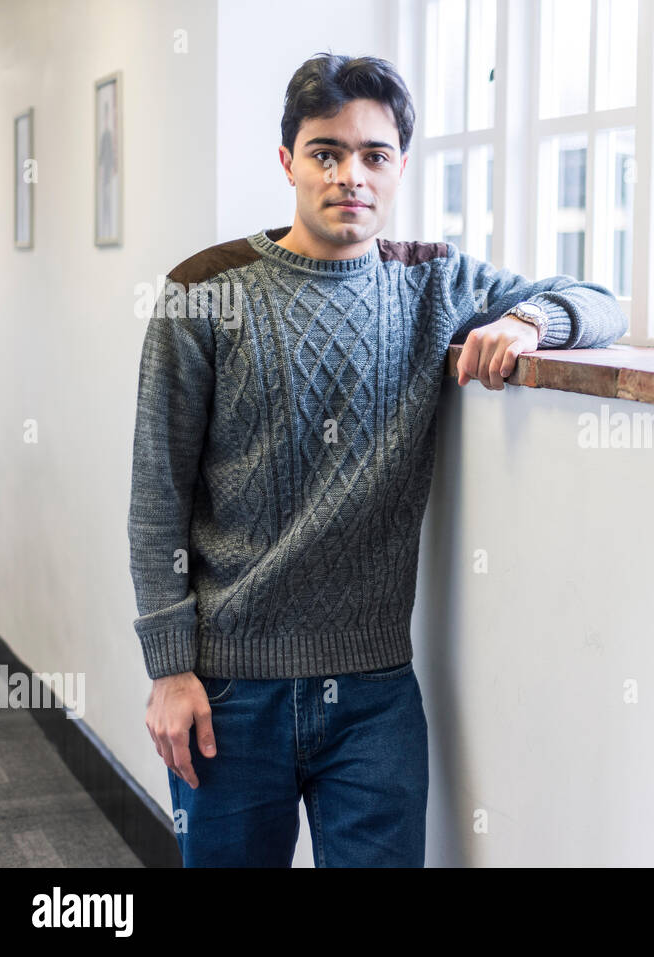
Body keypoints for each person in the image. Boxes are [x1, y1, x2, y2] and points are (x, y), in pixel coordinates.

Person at [128, 53, 627, 867]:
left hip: (374, 696)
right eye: (326, 152)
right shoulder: (204, 291)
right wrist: (169, 670)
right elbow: (156, 500)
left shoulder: (433, 283)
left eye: (374, 154)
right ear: (288, 162)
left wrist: (530, 322)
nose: (349, 175)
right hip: (227, 691)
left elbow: (603, 301)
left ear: (399, 165)